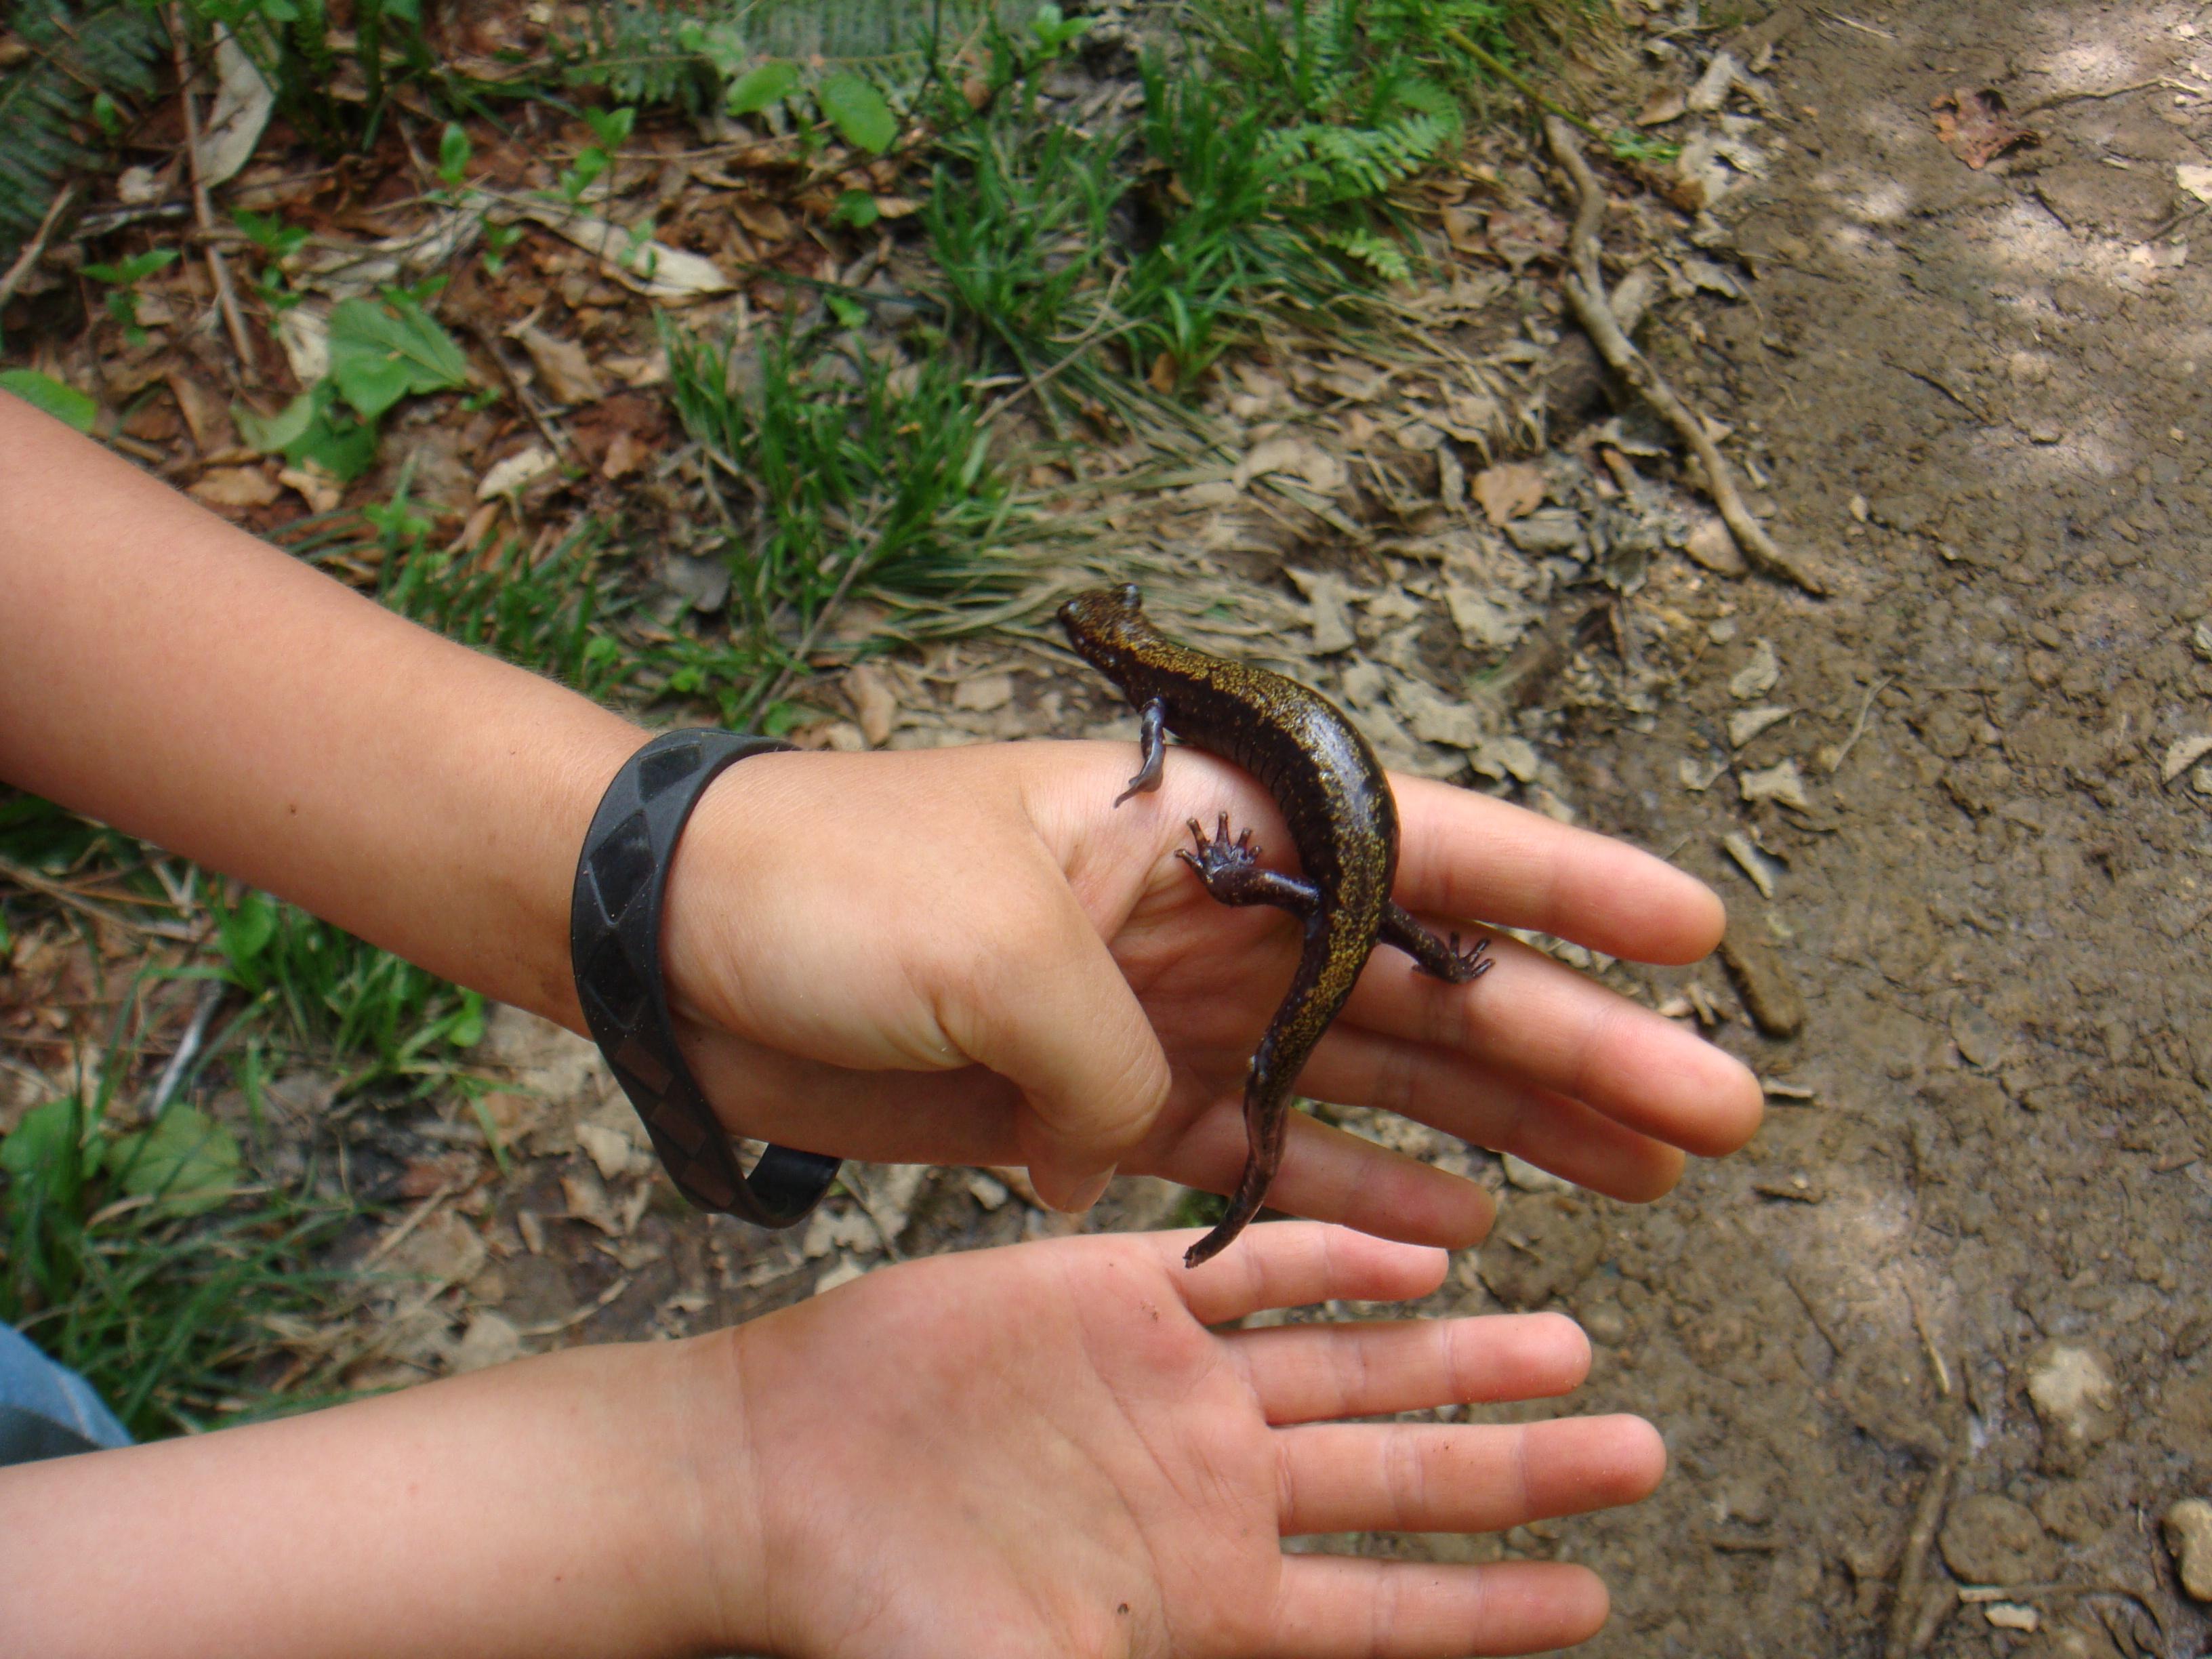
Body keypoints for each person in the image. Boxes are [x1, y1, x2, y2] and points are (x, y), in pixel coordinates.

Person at [0, 390, 1762, 1656]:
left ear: (1122, 661)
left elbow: (1169, 766)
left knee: (1316, 959)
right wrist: (732, 1488)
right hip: (1333, 876)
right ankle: (1395, 976)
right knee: (1328, 956)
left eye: (1098, 650)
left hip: (1322, 879)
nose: (1098, 660)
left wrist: (669, 876)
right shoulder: (1173, 696)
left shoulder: (1161, 711)